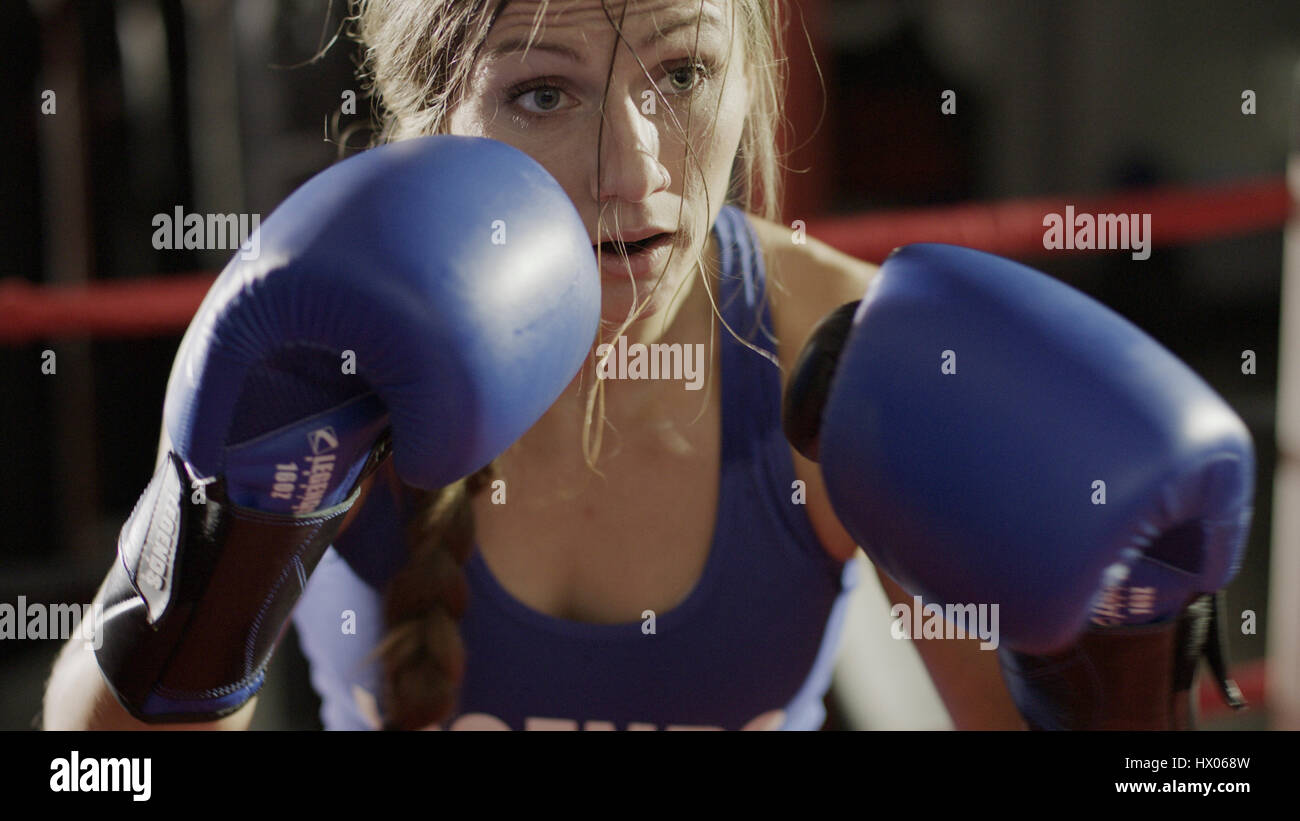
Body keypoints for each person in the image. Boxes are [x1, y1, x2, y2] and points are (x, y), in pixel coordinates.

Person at [39, 0, 1031, 731]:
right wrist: (220, 531)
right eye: (543, 92)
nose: (634, 174)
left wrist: (1109, 661)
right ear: (431, 123)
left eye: (681, 73)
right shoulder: (331, 357)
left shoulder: (845, 352)